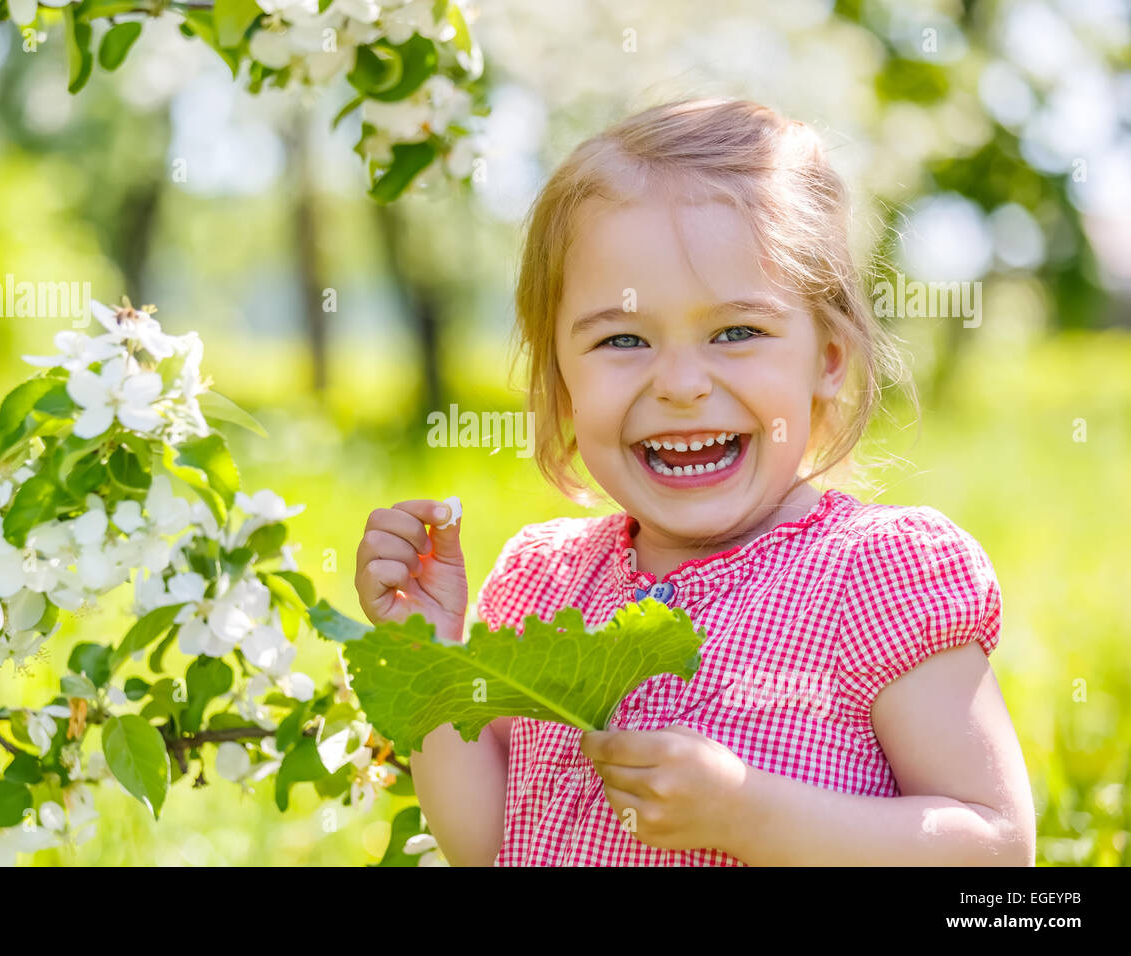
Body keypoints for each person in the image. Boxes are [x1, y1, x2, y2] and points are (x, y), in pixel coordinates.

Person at [354, 97, 1035, 866]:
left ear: (829, 358)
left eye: (736, 332)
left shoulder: (876, 578)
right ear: (560, 381)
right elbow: (487, 846)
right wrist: (434, 652)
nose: (680, 383)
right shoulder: (543, 588)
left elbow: (998, 851)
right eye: (622, 339)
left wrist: (749, 815)